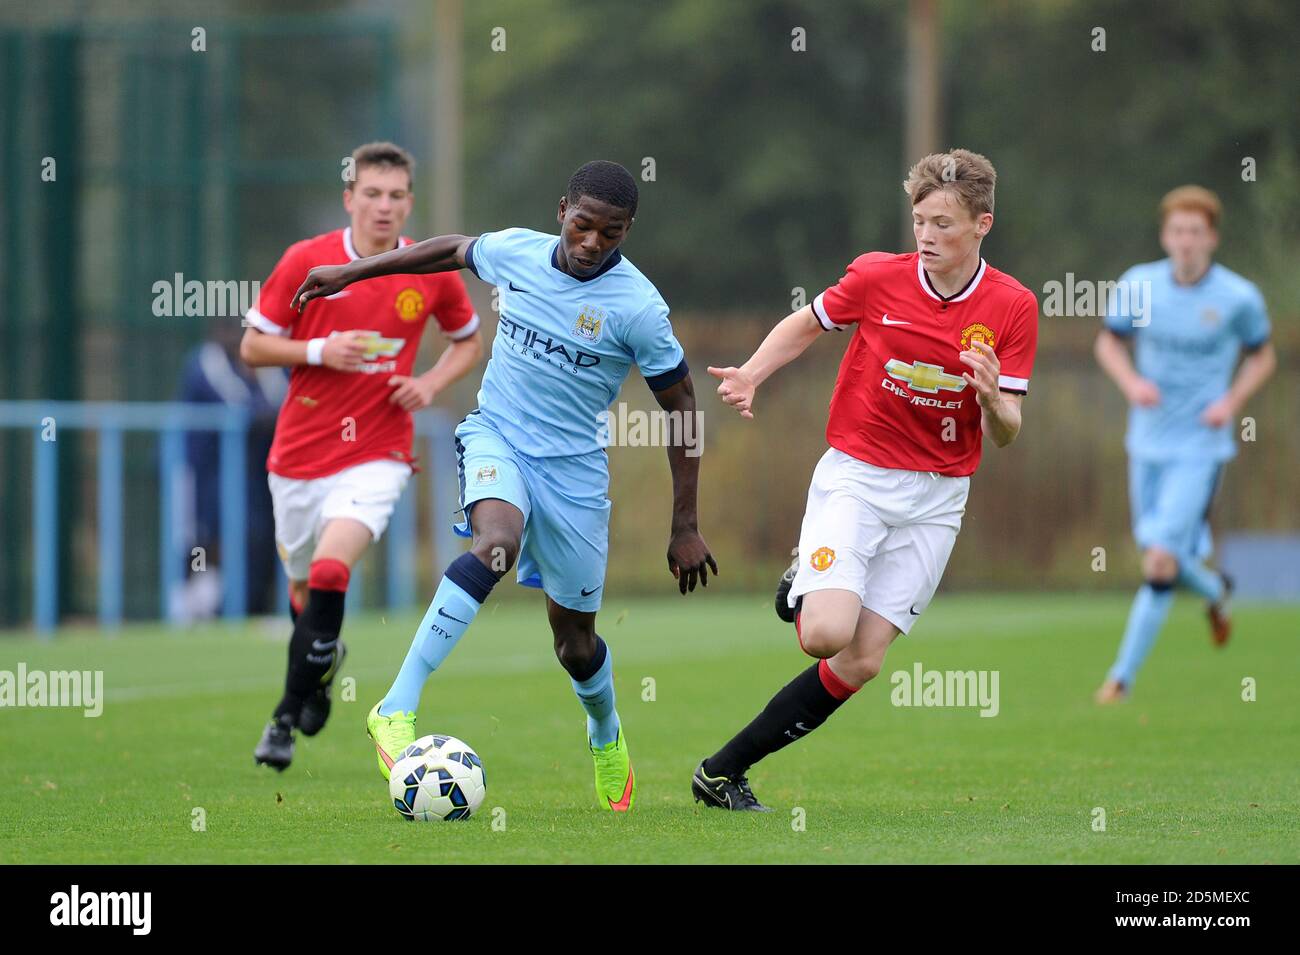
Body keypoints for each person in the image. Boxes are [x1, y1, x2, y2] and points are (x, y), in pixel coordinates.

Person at [291, 159, 717, 812]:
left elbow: (683, 406)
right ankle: (396, 704)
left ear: (628, 230)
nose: (592, 244)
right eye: (582, 225)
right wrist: (348, 274)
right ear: (561, 212)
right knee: (498, 540)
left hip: (574, 473)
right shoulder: (516, 251)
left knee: (575, 645)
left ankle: (604, 730)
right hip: (499, 437)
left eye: (611, 233)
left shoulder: (638, 308)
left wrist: (684, 522)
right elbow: (448, 251)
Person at [697, 149, 1038, 810]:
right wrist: (752, 372)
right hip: (858, 476)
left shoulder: (1013, 305)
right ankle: (805, 584)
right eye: (920, 220)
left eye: (943, 223)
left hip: (938, 497)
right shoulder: (878, 278)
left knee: (861, 659)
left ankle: (721, 771)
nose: (928, 236)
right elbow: (809, 322)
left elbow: (1008, 431)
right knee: (826, 633)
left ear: (982, 225)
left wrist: (995, 399)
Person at [241, 142, 484, 770]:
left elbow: (467, 341)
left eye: (396, 196)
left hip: (378, 449)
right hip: (297, 454)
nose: (384, 206)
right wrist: (322, 351)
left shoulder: (427, 266)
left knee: (329, 572)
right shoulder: (308, 260)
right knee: (303, 588)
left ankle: (283, 720)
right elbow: (253, 348)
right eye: (371, 194)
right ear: (349, 198)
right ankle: (321, 667)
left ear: (409, 202)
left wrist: (430, 385)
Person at [1093, 186, 1275, 703]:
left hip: (1202, 445)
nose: (1186, 241)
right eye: (1178, 231)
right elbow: (1108, 341)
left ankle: (1119, 680)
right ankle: (1217, 592)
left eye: (1196, 232)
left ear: (1212, 237)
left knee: (1158, 564)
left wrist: (1231, 401)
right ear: (1165, 236)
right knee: (1156, 553)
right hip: (1146, 442)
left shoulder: (1238, 297)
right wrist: (1132, 384)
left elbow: (1263, 357)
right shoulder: (1139, 284)